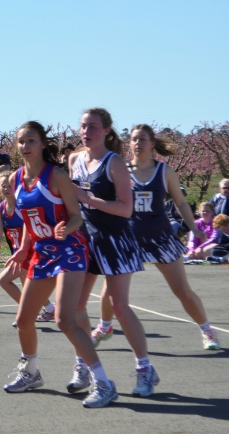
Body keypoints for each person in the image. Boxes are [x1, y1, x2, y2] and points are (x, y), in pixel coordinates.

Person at [4, 121, 116, 408]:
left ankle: (103, 382)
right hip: (42, 253)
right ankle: (30, 372)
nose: (25, 146)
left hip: (70, 249)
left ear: (43, 144)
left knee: (65, 319)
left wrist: (67, 227)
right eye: (21, 142)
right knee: (23, 321)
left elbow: (78, 215)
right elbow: (30, 222)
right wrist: (23, 249)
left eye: (31, 141)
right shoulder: (16, 179)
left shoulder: (56, 175)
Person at [92, 125, 220, 350]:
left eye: (142, 139)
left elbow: (180, 202)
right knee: (110, 290)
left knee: (182, 290)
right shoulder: (121, 170)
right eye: (134, 139)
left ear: (152, 144)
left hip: (160, 237)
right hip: (128, 239)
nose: (138, 143)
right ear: (129, 144)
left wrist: (193, 227)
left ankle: (207, 331)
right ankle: (104, 327)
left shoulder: (164, 171)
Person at [70, 108, 158, 398]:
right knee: (75, 308)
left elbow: (126, 208)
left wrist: (90, 200)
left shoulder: (114, 162)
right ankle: (83, 365)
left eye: (92, 126)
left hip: (116, 241)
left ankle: (145, 369)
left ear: (106, 130)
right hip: (87, 241)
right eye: (83, 126)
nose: (86, 131)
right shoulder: (74, 160)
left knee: (119, 306)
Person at [0, 171, 55, 324]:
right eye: (3, 186)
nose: (6, 188)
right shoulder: (0, 209)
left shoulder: (23, 205)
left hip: (31, 251)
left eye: (10, 185)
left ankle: (27, 312)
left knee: (4, 280)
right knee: (28, 285)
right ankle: (51, 309)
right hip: (17, 254)